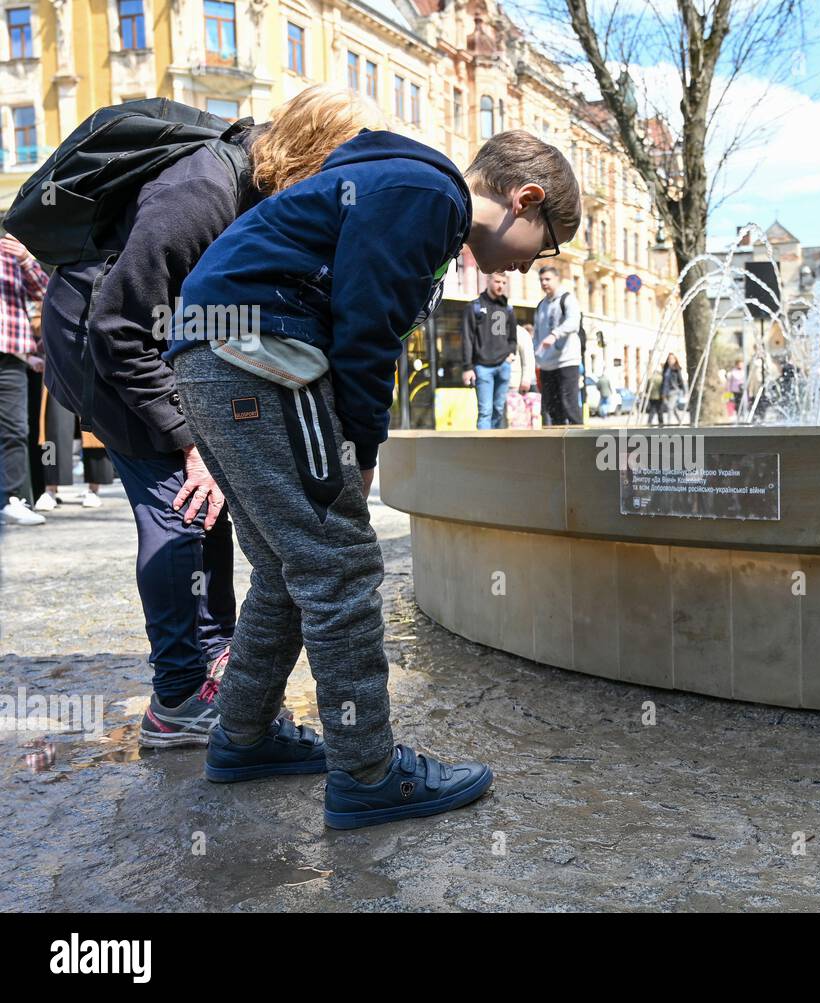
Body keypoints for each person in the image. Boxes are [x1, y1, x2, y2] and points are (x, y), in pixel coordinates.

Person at [165, 128, 580, 829]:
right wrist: (361, 449)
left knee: (284, 565)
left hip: (214, 355)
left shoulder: (400, 181)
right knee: (340, 562)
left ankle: (243, 734)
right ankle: (368, 771)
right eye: (544, 243)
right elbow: (367, 327)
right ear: (524, 200)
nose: (535, 260)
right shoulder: (429, 196)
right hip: (263, 355)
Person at [38, 85, 372, 747]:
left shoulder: (256, 191)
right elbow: (119, 326)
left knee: (210, 500)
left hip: (152, 340)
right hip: (103, 347)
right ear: (312, 156)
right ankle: (180, 697)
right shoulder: (200, 195)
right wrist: (189, 436)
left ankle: (213, 669)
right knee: (182, 504)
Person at [0, 234, 49, 527]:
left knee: (16, 430)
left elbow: (46, 291)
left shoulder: (10, 254)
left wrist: (25, 259)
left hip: (11, 356)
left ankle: (12, 500)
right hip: (15, 356)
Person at [461, 272, 517, 429]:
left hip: (504, 365)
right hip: (482, 367)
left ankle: (496, 449)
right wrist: (467, 367)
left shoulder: (508, 307)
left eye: (504, 283)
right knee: (485, 411)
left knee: (499, 410)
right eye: (497, 281)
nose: (501, 286)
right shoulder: (474, 306)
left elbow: (513, 337)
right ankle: (483, 450)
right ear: (488, 280)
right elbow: (467, 338)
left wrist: (511, 354)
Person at [533, 265, 583, 424]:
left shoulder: (567, 299)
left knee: (569, 405)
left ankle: (580, 445)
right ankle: (559, 447)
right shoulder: (541, 305)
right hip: (547, 365)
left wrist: (555, 334)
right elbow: (537, 334)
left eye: (547, 279)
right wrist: (537, 354)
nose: (544, 283)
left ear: (557, 279)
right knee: (552, 410)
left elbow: (574, 322)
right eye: (541, 280)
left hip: (566, 361)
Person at [661, 352, 687, 424]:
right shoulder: (666, 370)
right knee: (674, 408)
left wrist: (684, 391)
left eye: (672, 358)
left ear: (675, 360)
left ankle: (669, 424)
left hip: (674, 391)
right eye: (669, 358)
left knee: (669, 407)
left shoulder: (676, 369)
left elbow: (680, 380)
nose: (670, 360)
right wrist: (662, 393)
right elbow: (664, 382)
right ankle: (680, 422)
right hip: (667, 392)